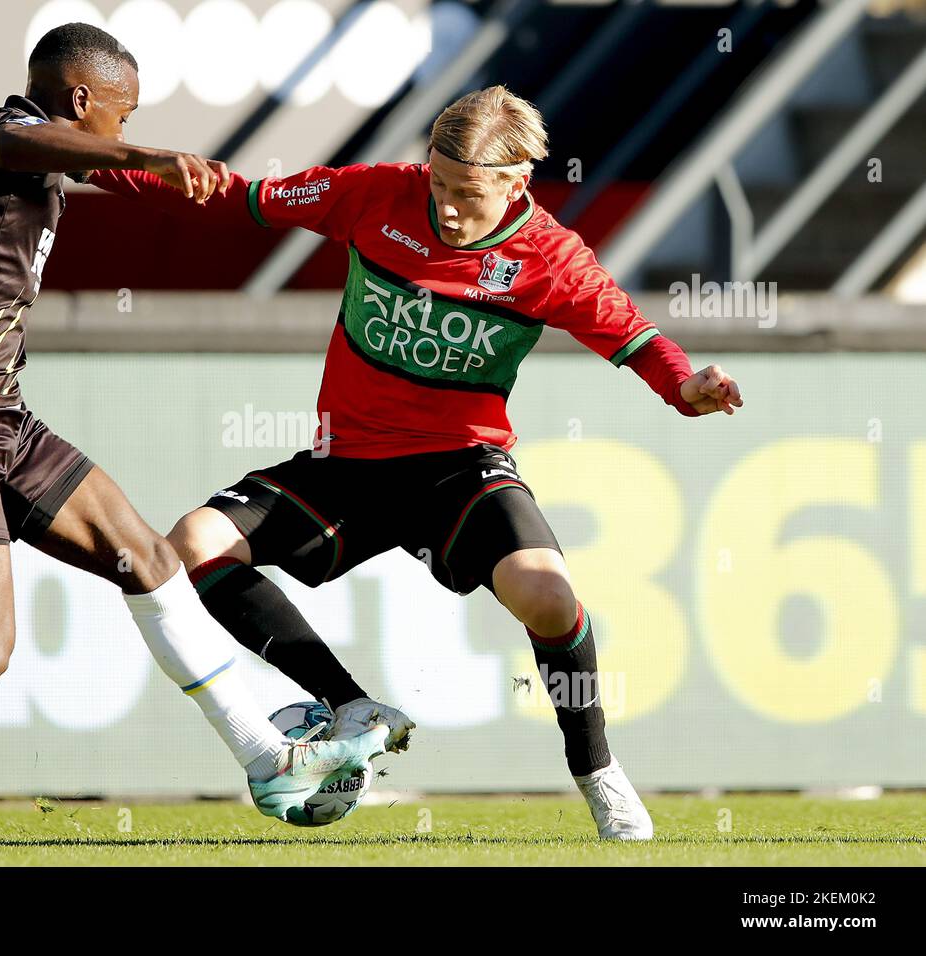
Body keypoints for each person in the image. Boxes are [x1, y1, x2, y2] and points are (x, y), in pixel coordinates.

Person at [0, 22, 385, 853]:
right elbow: (32, 142)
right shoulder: (19, 134)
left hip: (0, 412)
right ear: (81, 99)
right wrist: (157, 160)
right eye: (118, 119)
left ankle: (268, 756)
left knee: (151, 559)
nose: (119, 136)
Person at [89, 85, 744, 840]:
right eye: (437, 183)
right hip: (348, 465)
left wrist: (686, 386)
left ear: (518, 182)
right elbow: (237, 199)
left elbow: (635, 339)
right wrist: (90, 162)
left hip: (461, 469)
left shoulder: (552, 258)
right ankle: (351, 705)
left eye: (468, 193)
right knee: (193, 543)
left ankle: (597, 772)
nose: (448, 207)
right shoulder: (373, 195)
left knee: (549, 597)